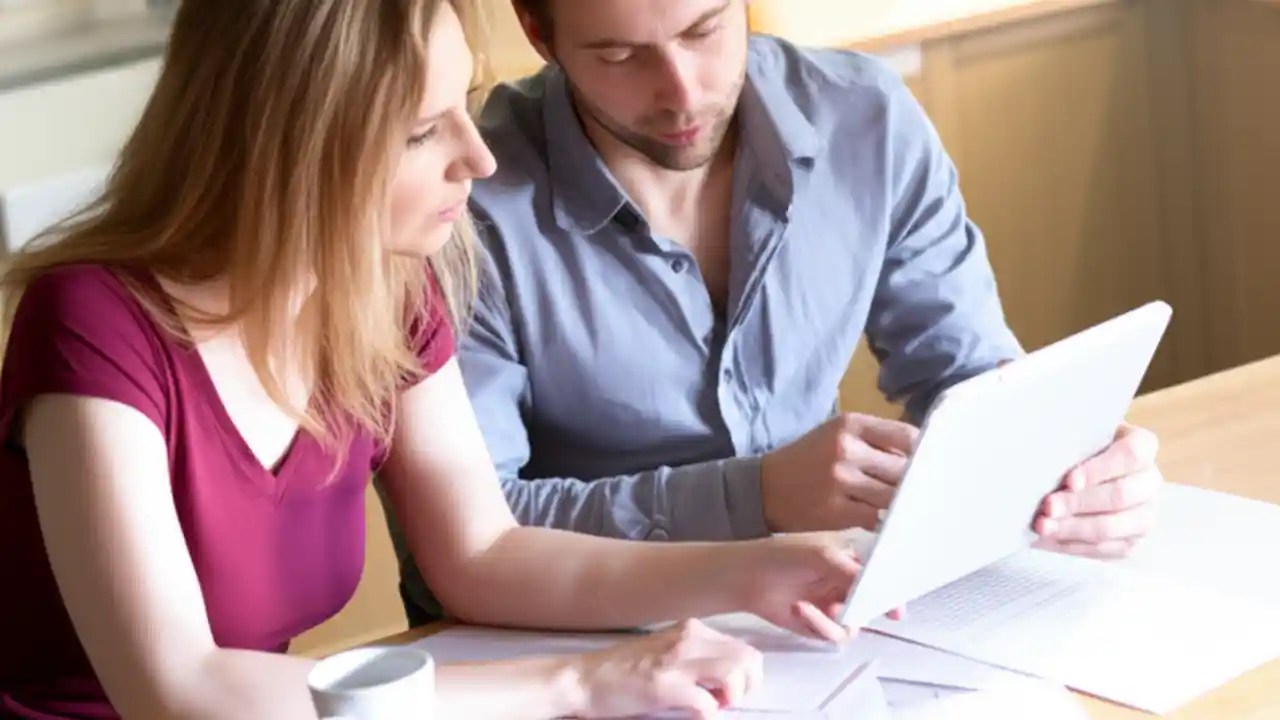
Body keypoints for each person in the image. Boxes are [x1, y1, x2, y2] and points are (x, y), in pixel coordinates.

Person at [0, 2, 876, 718]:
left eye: (470, 102)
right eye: (424, 131)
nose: (480, 156)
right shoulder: (92, 320)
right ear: (295, 148)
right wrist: (587, 679)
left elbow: (481, 550)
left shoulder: (388, 288)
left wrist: (757, 568)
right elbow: (176, 688)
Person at [392, 0, 1165, 624]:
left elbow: (966, 380)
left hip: (822, 619)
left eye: (706, 28)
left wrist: (1064, 467)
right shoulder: (461, 207)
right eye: (620, 55)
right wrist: (753, 497)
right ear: (537, 29)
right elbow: (474, 536)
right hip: (555, 648)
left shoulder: (866, 119)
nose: (683, 91)